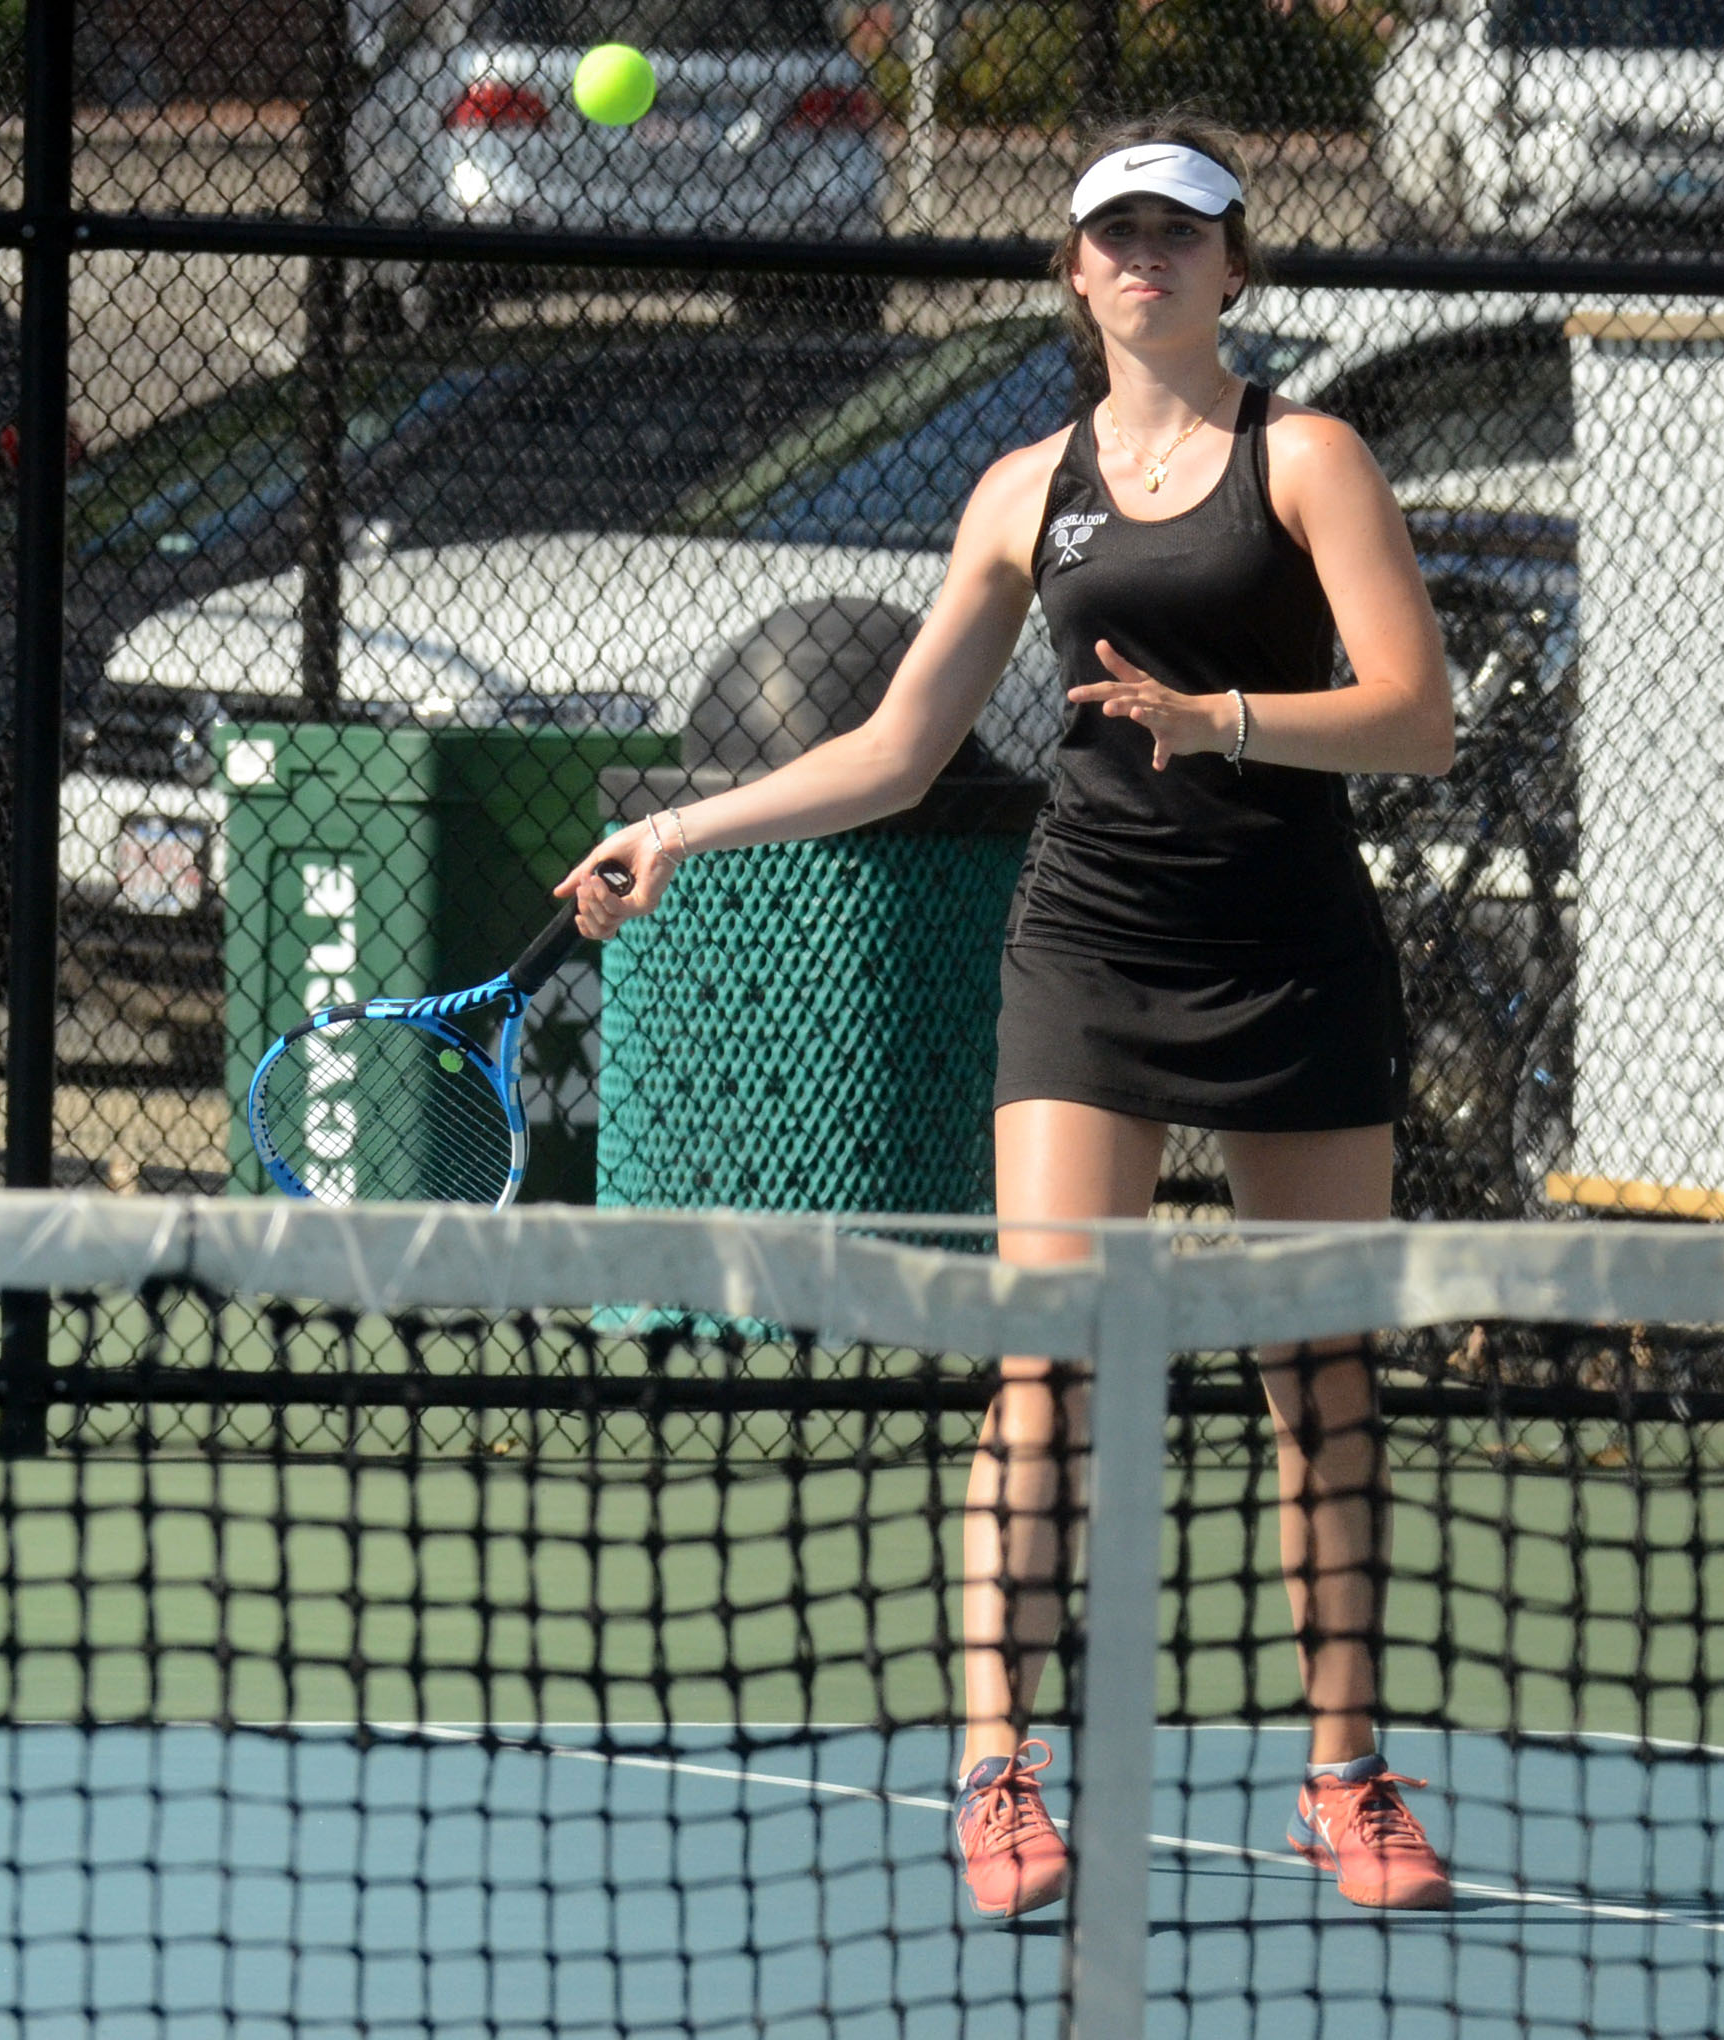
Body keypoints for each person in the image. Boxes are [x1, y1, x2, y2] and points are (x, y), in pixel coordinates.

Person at [558, 114, 1457, 1919]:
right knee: (1045, 1368)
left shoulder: (1310, 460)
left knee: (1323, 1384)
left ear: (1233, 265)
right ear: (1072, 270)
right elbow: (898, 751)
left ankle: (1346, 1781)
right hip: (1088, 954)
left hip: (1289, 955)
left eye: (1178, 233)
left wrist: (1231, 724)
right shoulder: (1019, 490)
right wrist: (677, 827)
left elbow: (1420, 718)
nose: (1144, 259)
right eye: (1113, 234)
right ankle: (996, 1778)